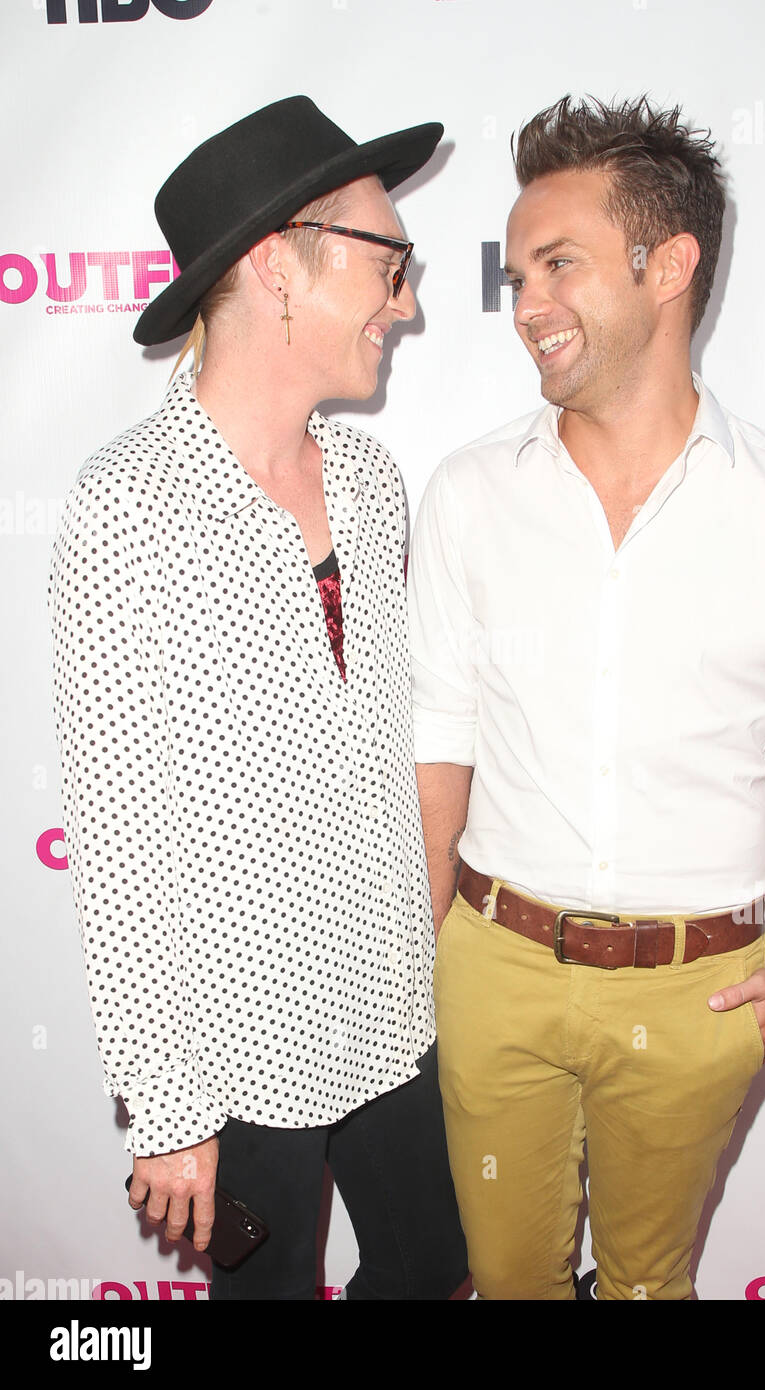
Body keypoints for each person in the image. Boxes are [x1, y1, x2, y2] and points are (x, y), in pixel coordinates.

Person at [408, 95, 765, 1301]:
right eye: (518, 271)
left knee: (649, 1286)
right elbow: (440, 738)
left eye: (560, 265)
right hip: (497, 969)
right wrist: (433, 955)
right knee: (508, 1281)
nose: (526, 304)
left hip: (703, 989)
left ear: (670, 265)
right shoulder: (470, 492)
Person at [50, 95, 467, 1300]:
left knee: (434, 1270)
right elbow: (122, 840)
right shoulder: (128, 506)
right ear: (282, 263)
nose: (411, 303)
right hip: (239, 1054)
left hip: (397, 1012)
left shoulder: (374, 480)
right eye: (390, 265)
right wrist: (167, 1103)